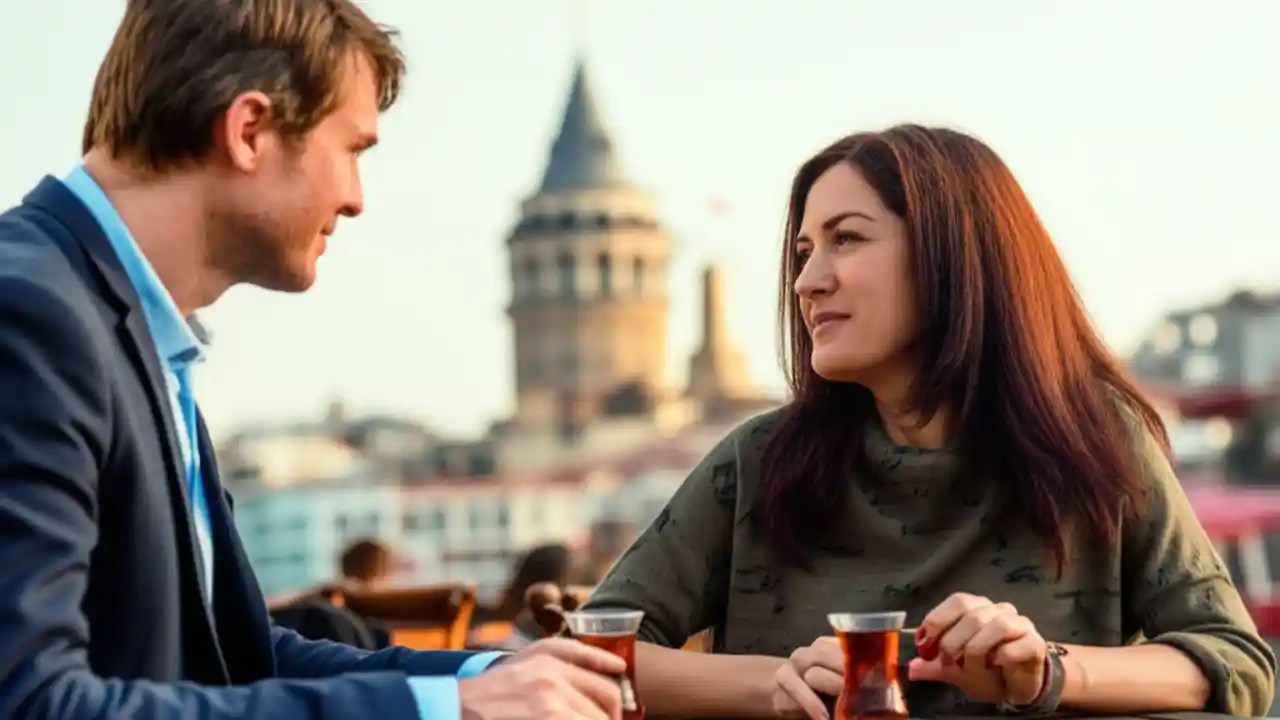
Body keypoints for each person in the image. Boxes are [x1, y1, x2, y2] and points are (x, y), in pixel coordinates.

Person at [0, 1, 624, 718]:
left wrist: (494, 677)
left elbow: (236, 659)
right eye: (353, 150)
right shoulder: (33, 317)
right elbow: (32, 701)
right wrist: (450, 708)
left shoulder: (123, 330)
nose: (356, 199)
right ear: (249, 130)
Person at [583, 124, 1277, 718]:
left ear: (953, 254)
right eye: (803, 253)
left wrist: (1043, 670)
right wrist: (775, 684)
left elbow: (1234, 660)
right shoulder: (757, 462)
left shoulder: (1097, 442)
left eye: (846, 239)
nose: (806, 282)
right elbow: (588, 657)